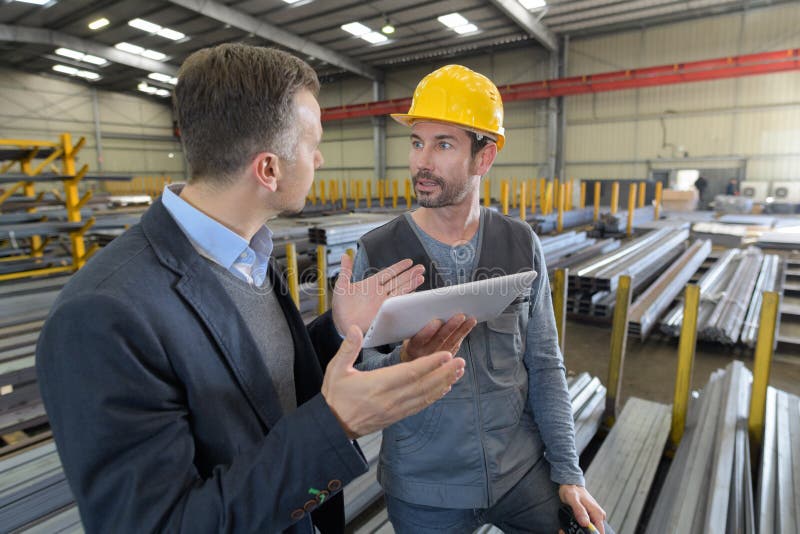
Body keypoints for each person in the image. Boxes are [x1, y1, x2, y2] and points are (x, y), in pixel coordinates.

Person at [36, 44, 470, 534]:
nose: (321, 159)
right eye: (312, 146)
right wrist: (335, 425)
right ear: (269, 169)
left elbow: (258, 387)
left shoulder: (248, 256)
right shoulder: (100, 316)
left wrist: (341, 331)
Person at [352, 65, 609, 534]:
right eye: (416, 142)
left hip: (520, 472)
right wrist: (405, 360)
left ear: (484, 158)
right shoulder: (379, 251)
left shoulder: (518, 242)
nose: (421, 162)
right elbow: (356, 378)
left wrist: (568, 471)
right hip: (426, 487)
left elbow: (545, 363)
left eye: (443, 144)